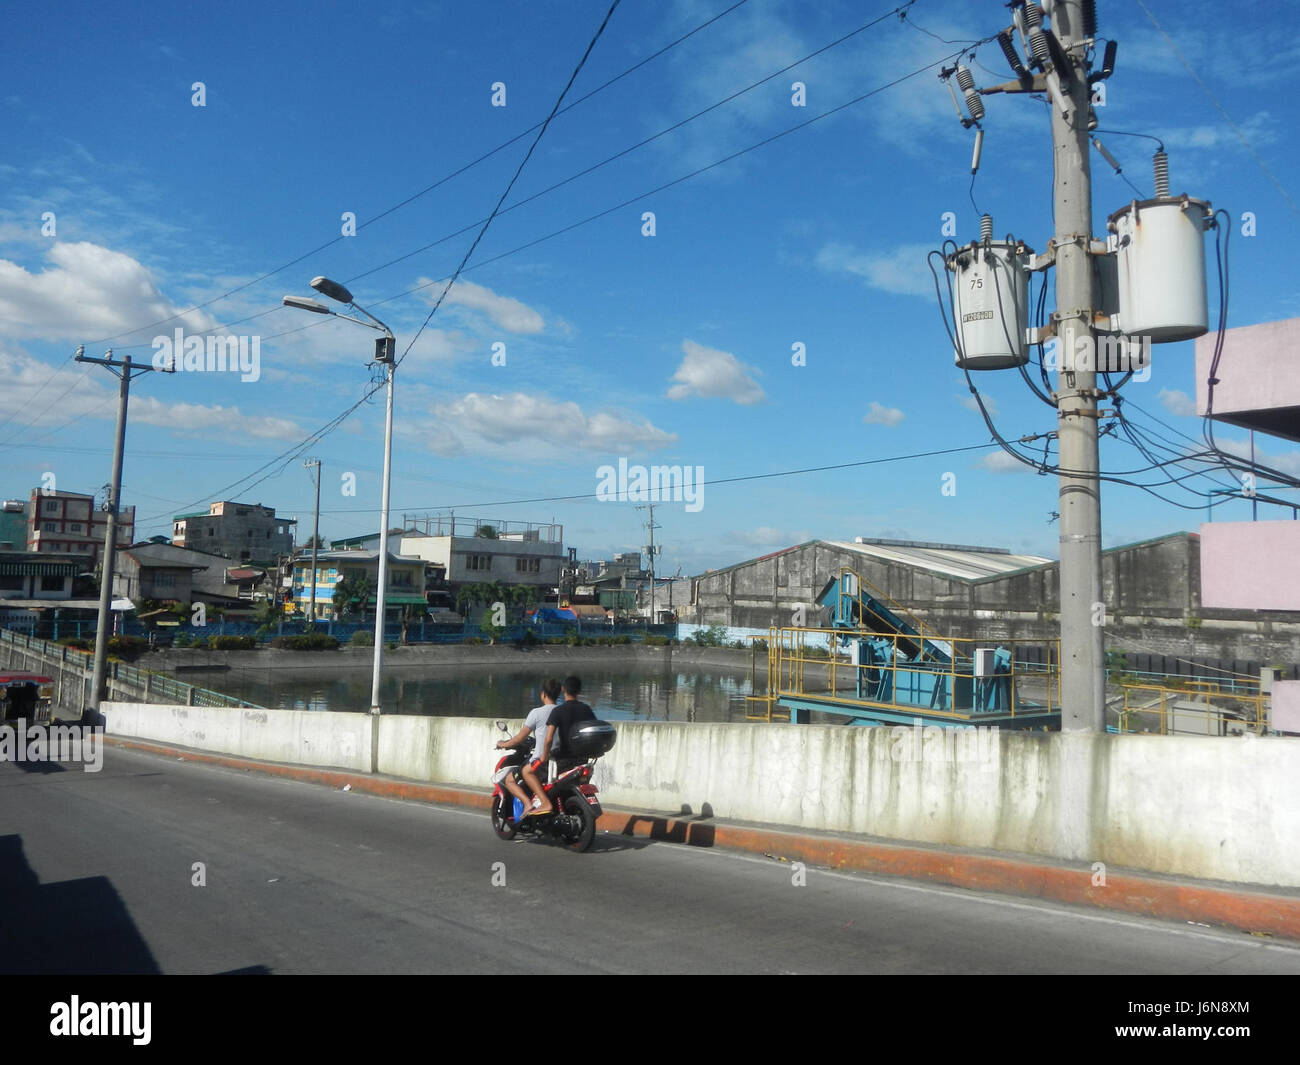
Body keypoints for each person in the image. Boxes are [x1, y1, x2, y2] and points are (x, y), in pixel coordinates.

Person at [495, 678, 561, 817]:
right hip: (559, 760)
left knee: (510, 780)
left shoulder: (536, 713)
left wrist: (502, 744)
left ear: (543, 694)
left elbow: (519, 739)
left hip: (541, 761)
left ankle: (527, 804)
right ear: (558, 694)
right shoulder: (563, 711)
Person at [540, 675, 596, 767]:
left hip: (563, 759)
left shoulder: (558, 711)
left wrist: (544, 757)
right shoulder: (587, 709)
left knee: (532, 774)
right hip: (582, 759)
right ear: (579, 691)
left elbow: (549, 739)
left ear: (563, 689)